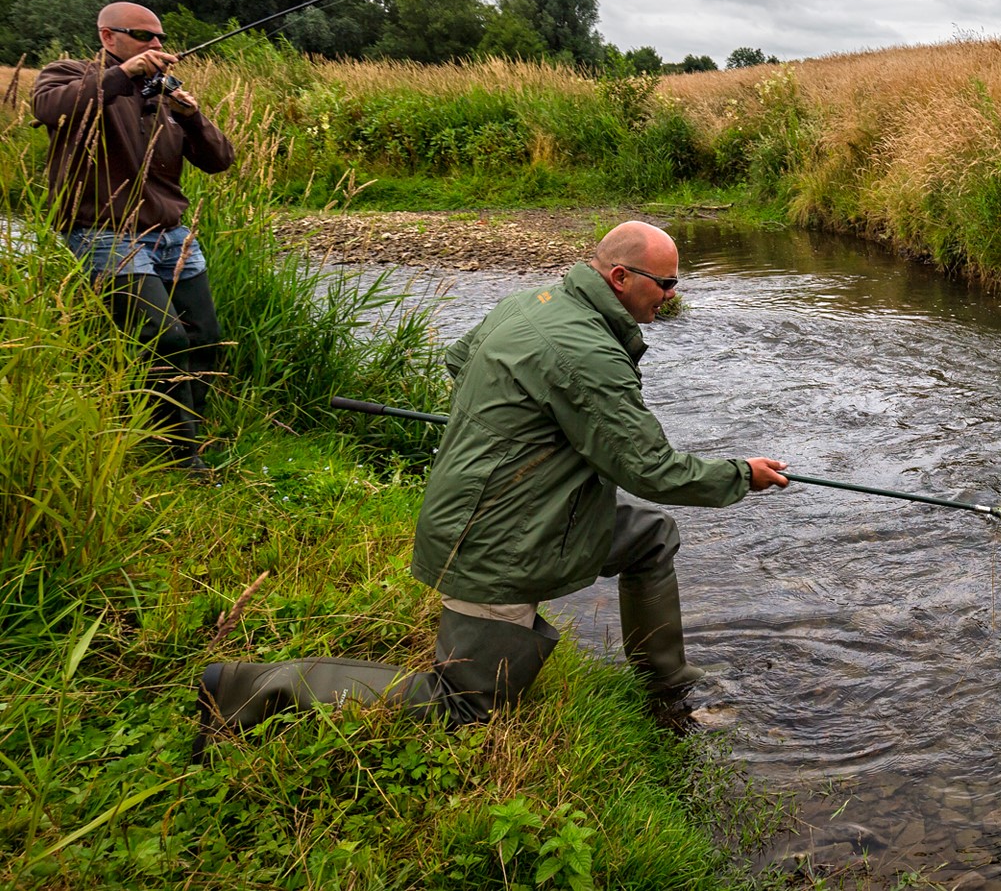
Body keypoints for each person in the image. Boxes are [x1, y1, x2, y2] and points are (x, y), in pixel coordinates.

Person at [195, 222, 789, 745]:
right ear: (618, 277)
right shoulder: (586, 350)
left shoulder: (532, 302)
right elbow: (650, 469)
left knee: (649, 538)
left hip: (542, 511)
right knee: (467, 704)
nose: (672, 295)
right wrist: (744, 475)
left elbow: (460, 359)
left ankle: (664, 685)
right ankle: (248, 685)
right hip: (495, 533)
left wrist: (528, 422)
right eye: (666, 284)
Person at [32, 2, 235, 470]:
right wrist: (122, 73)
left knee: (204, 336)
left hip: (170, 233)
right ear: (108, 37)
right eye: (144, 37)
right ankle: (180, 455)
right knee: (161, 337)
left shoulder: (163, 92)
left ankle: (191, 432)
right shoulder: (68, 74)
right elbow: (50, 109)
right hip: (104, 232)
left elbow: (219, 160)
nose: (157, 47)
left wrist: (191, 115)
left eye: (159, 38)